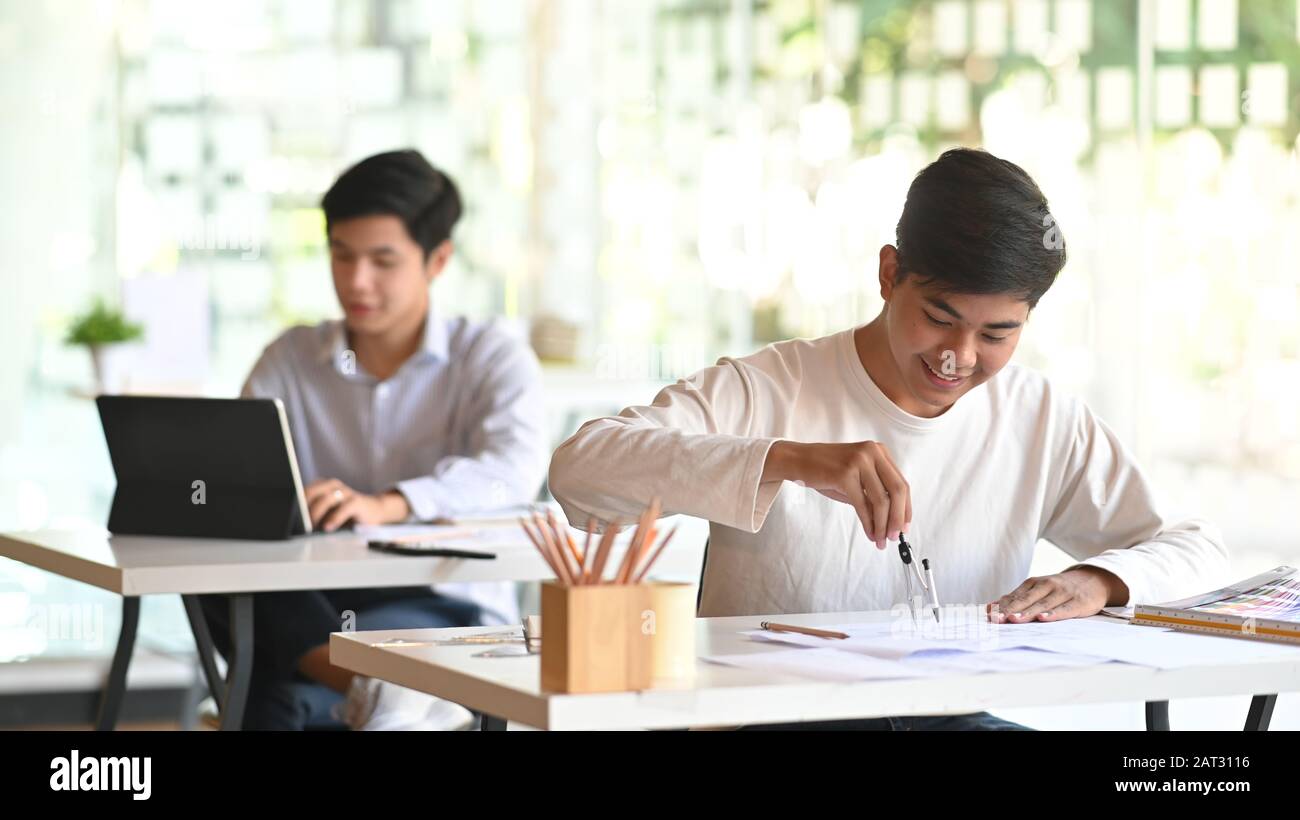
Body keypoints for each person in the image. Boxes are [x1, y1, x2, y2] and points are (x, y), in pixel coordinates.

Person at [548, 148, 1229, 731]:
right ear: (888, 274)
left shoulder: (1039, 416)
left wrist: (1100, 579)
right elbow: (581, 469)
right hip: (774, 721)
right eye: (940, 318)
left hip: (950, 716)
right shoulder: (771, 386)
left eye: (997, 335)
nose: (959, 357)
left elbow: (1197, 551)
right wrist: (785, 458)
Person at [201, 149, 547, 730]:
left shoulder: (489, 355)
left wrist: (390, 504)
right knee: (223, 582)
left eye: (382, 261)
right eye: (341, 255)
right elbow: (241, 479)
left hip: (443, 604)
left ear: (438, 260)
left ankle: (385, 687)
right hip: (307, 599)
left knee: (272, 704)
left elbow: (511, 469)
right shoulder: (292, 359)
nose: (357, 281)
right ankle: (382, 686)